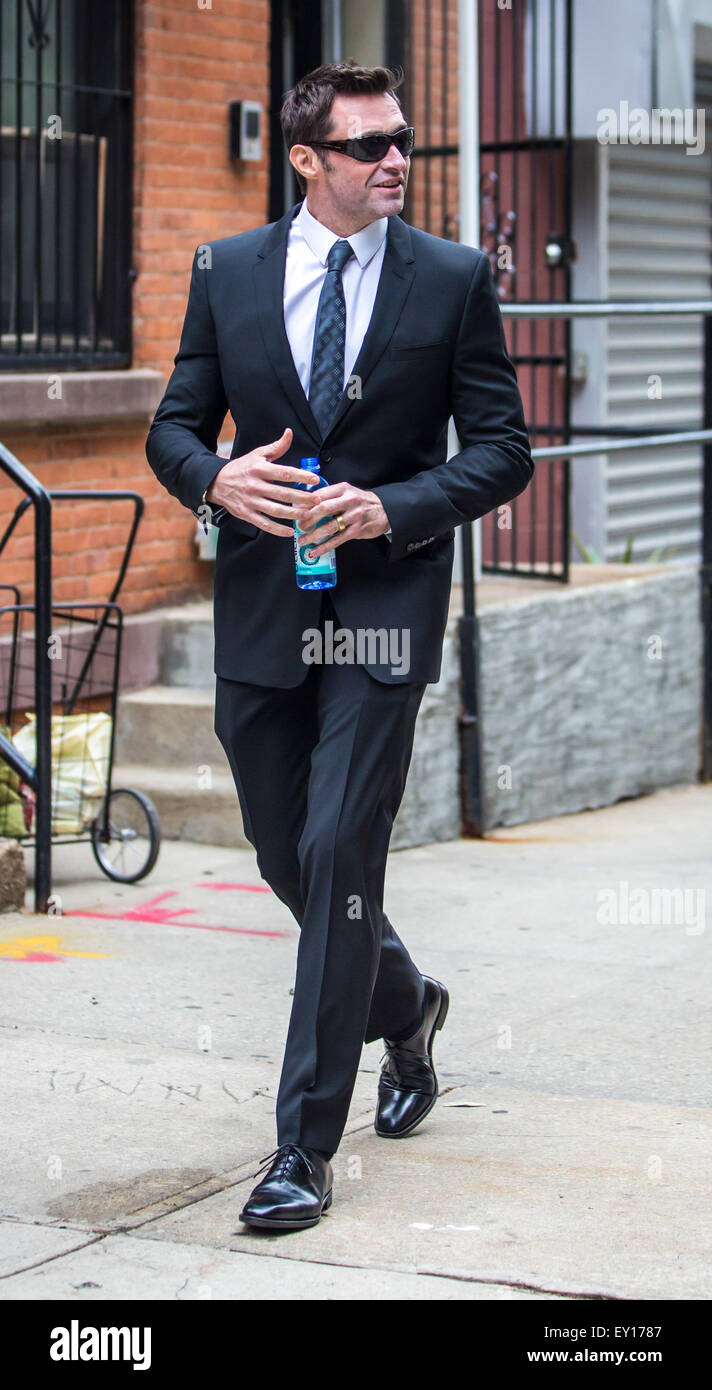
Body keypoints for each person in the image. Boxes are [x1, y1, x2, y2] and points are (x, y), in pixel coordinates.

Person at [146, 59, 533, 1231]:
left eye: (400, 140)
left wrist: (396, 505)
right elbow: (172, 426)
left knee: (335, 852)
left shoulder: (454, 279)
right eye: (366, 146)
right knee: (285, 851)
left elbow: (502, 449)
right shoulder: (229, 271)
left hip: (380, 610)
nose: (393, 161)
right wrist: (215, 478)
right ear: (307, 160)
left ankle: (302, 1148)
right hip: (265, 606)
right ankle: (408, 1006)